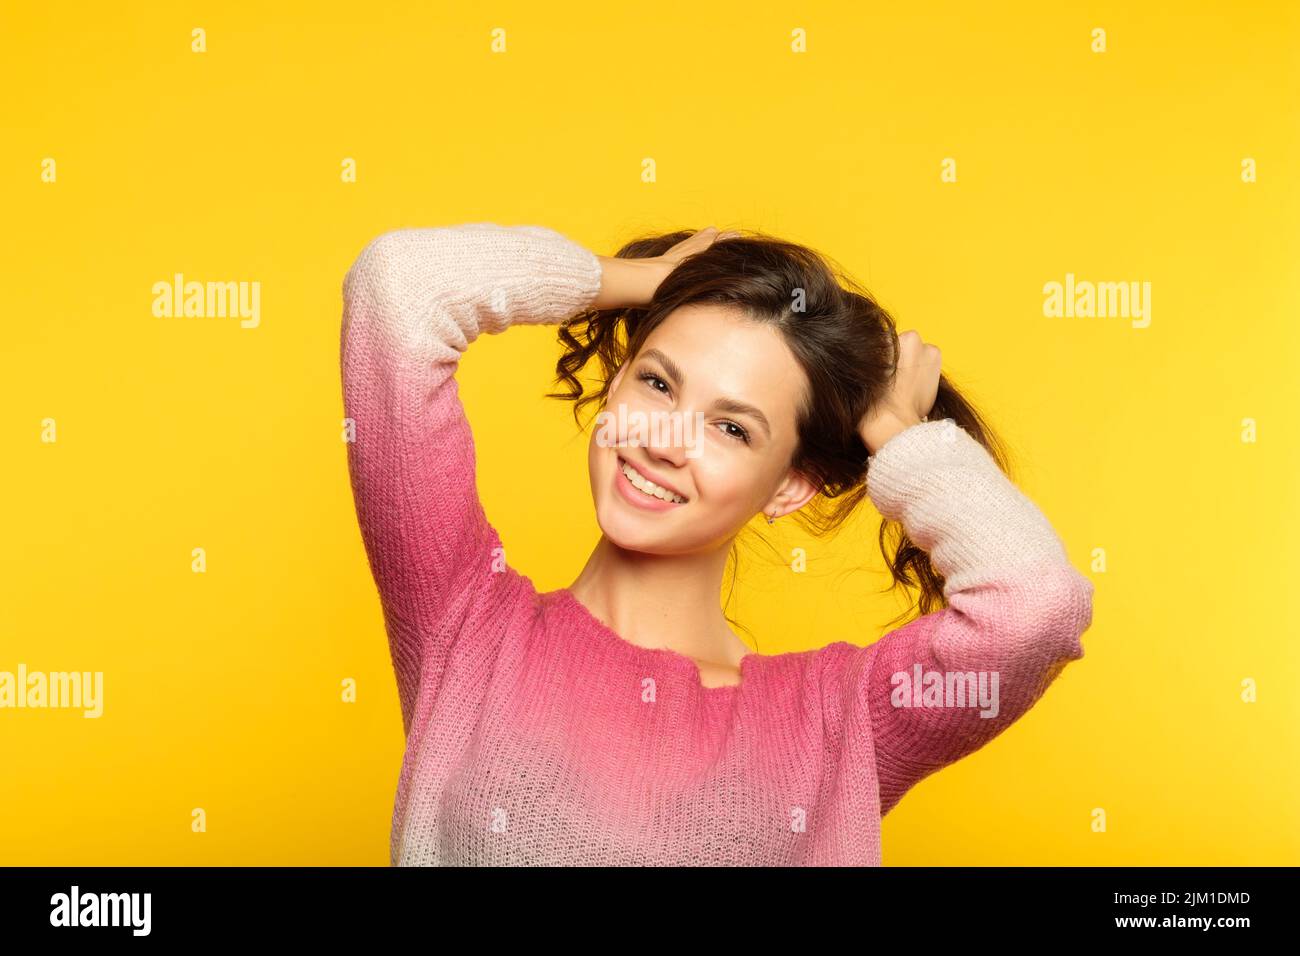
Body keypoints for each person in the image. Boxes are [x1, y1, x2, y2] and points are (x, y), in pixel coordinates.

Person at [339, 221, 1094, 865]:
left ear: (790, 484)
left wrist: (898, 435)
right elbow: (399, 288)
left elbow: (1035, 607)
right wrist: (645, 280)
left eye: (732, 428)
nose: (665, 441)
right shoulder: (466, 627)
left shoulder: (840, 726)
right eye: (659, 385)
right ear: (616, 386)